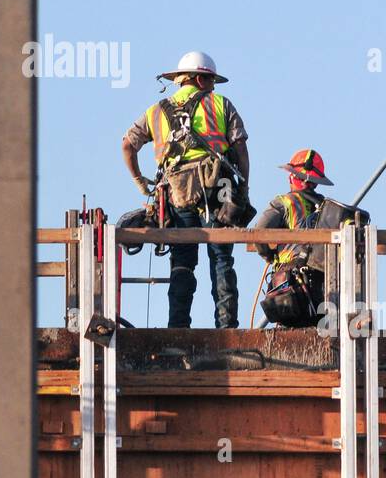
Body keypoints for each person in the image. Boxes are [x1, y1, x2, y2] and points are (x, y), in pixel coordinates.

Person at [121, 51, 249, 328]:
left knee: (182, 259)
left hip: (176, 192)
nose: (213, 86)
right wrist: (244, 190)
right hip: (219, 187)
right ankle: (227, 328)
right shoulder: (221, 105)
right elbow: (240, 148)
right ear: (201, 79)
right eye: (212, 81)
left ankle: (178, 328)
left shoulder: (156, 111)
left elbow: (127, 145)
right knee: (221, 256)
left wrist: (140, 181)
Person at [252, 150, 334, 327]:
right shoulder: (329, 209)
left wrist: (270, 255)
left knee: (287, 338)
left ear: (295, 177)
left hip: (291, 287)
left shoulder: (284, 202)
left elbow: (258, 234)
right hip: (325, 288)